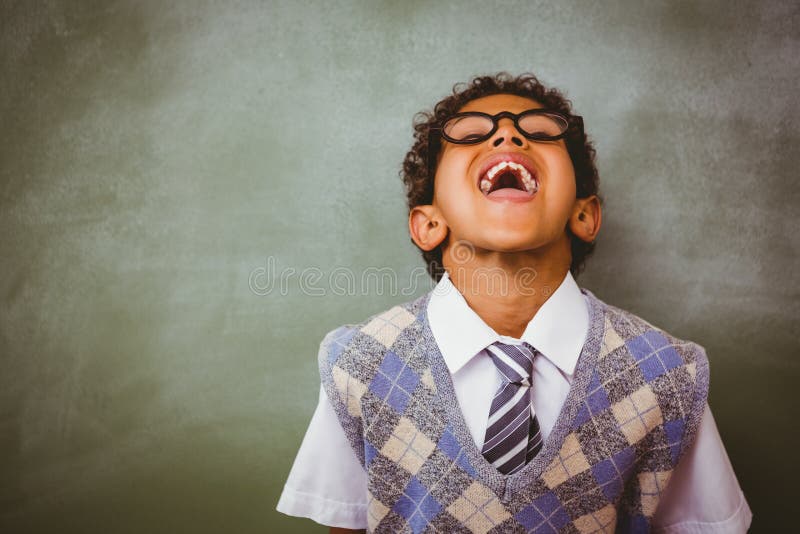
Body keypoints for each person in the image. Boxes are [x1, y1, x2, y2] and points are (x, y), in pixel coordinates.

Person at [276, 73, 752, 533]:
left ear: (583, 214)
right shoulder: (359, 366)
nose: (507, 135)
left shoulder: (668, 375)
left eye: (540, 132)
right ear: (429, 224)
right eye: (470, 135)